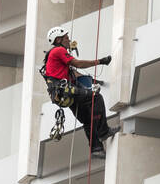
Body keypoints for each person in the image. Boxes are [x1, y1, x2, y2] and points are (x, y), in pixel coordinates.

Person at [44, 25, 116, 158]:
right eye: (66, 38)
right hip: (67, 91)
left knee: (87, 119)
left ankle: (96, 149)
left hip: (64, 94)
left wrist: (92, 80)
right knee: (96, 97)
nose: (69, 40)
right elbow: (78, 64)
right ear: (58, 40)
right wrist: (100, 61)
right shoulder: (58, 50)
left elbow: (73, 73)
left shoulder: (54, 56)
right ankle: (104, 132)